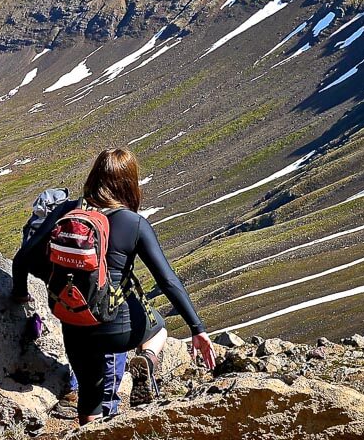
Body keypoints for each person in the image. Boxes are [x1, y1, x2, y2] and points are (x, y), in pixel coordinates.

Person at [12, 147, 216, 424]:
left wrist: (20, 294)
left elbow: (24, 258)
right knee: (158, 330)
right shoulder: (133, 223)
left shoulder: (67, 210)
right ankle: (146, 359)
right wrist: (197, 329)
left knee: (89, 404)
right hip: (115, 327)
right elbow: (167, 280)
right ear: (129, 183)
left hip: (73, 320)